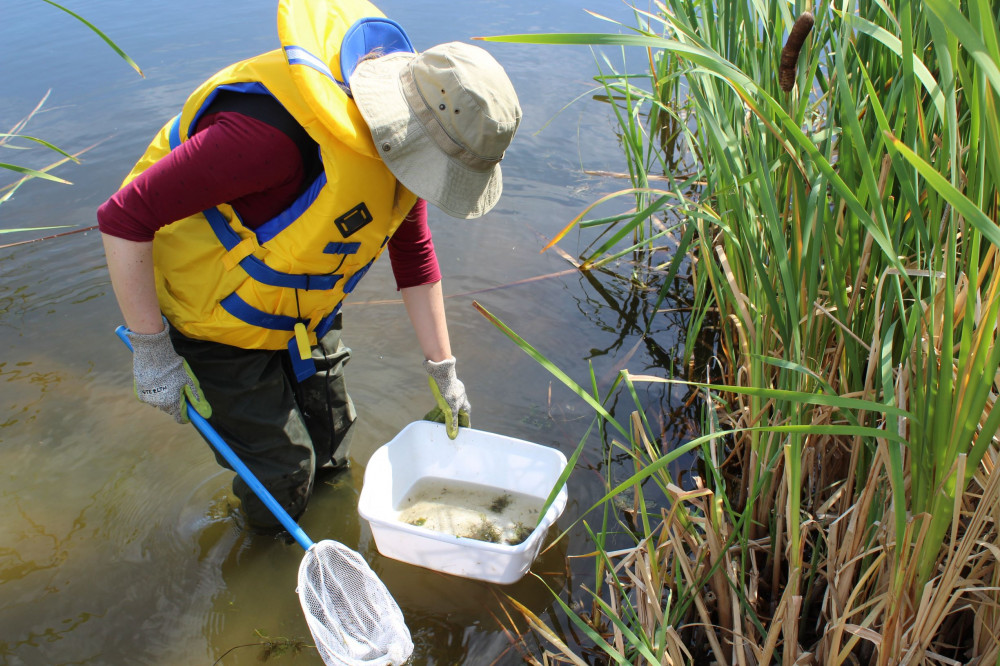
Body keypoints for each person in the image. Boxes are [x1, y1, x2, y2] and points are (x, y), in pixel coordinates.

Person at [97, 0, 521, 530]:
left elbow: (412, 254)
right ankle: (269, 563)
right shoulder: (269, 140)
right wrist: (152, 350)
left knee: (334, 446)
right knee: (282, 478)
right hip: (215, 323)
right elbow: (122, 218)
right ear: (408, 128)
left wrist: (444, 369)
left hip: (301, 315)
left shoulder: (407, 155)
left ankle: (327, 535)